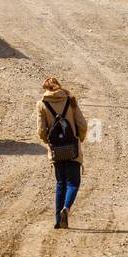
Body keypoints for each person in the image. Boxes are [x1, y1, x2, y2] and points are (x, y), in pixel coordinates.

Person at [36, 76, 88, 229]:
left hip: (56, 151)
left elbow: (41, 131)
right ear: (59, 85)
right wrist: (79, 140)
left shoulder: (41, 104)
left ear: (45, 88)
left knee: (60, 183)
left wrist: (50, 143)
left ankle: (58, 220)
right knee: (73, 182)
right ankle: (67, 208)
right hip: (72, 148)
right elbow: (82, 125)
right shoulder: (70, 100)